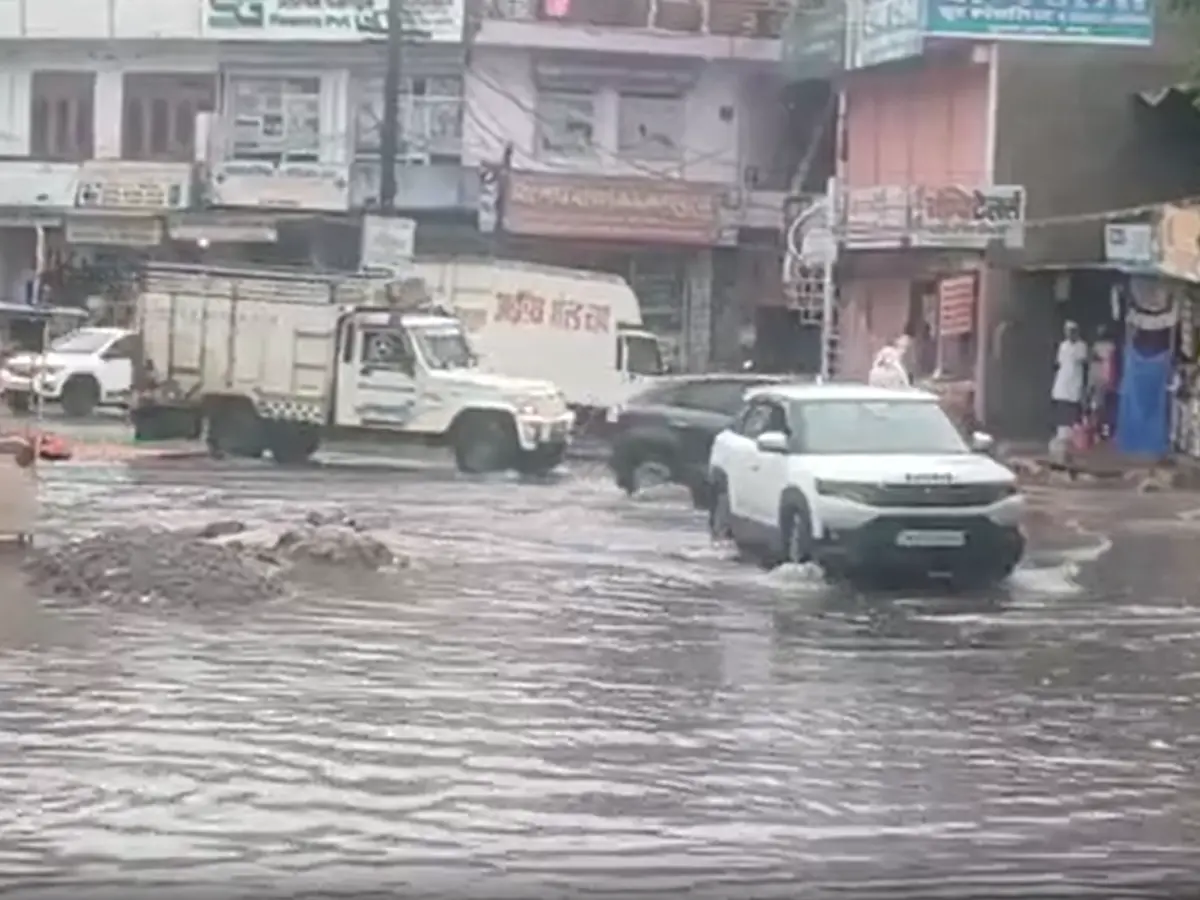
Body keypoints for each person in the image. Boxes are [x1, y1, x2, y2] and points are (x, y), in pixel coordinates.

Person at [1050, 320, 1089, 454]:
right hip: (1063, 379)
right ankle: (1061, 435)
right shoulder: (1063, 346)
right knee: (1061, 405)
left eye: (1072, 331)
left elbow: (1083, 361)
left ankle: (1072, 437)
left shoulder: (1081, 346)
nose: (1069, 334)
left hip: (1075, 380)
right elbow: (1059, 362)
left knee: (1072, 407)